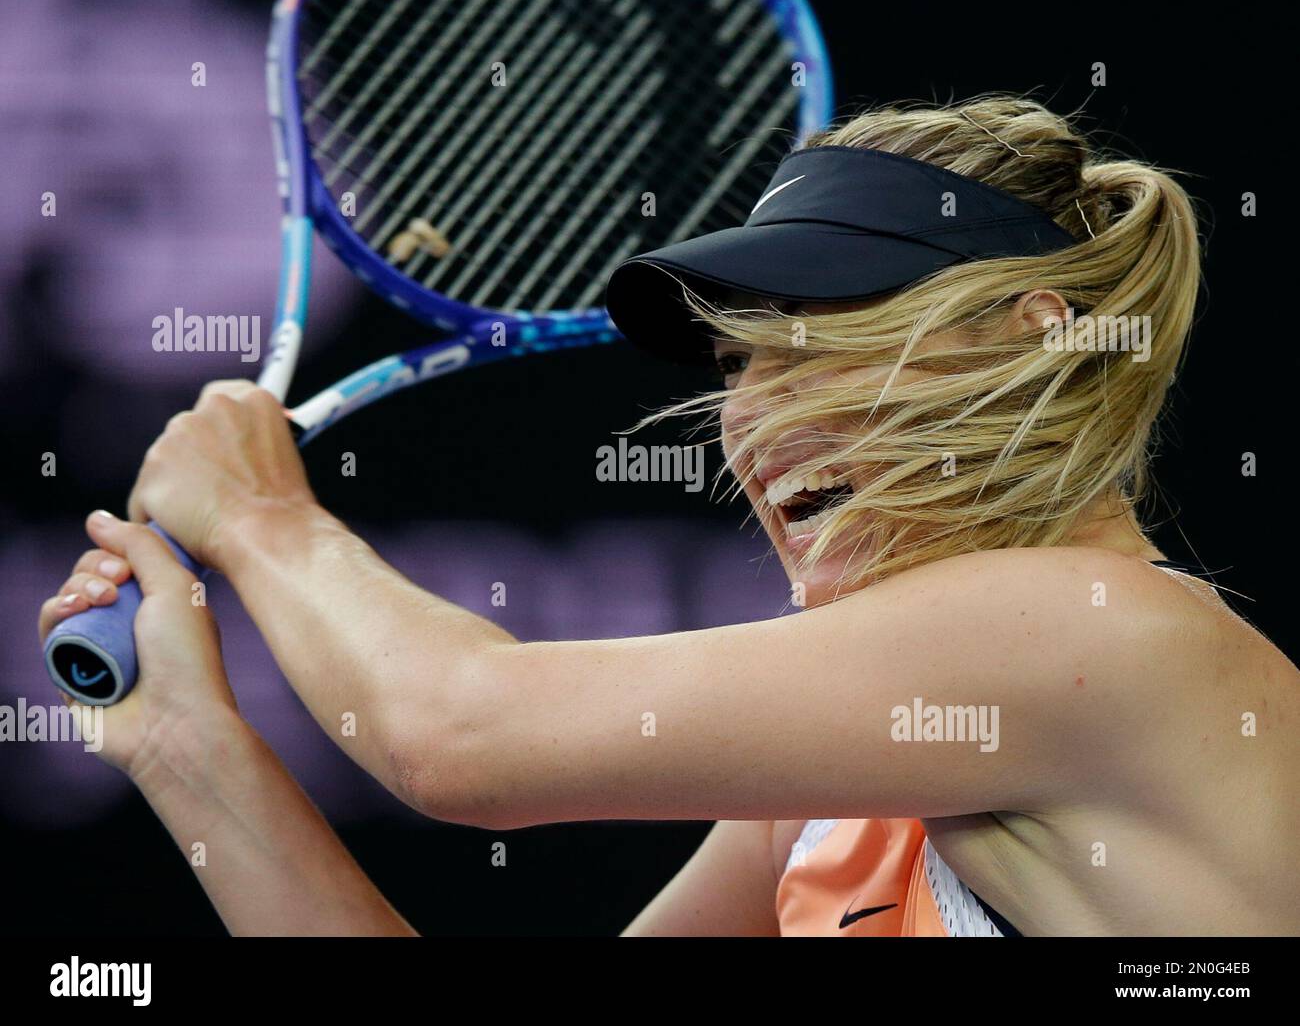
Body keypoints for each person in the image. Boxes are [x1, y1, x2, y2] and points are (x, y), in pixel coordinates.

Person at [39, 97, 1300, 936]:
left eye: (820, 347)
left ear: (1033, 341)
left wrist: (263, 515)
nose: (752, 419)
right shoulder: (837, 792)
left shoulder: (1086, 628)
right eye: (744, 364)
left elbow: (460, 738)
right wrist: (188, 750)